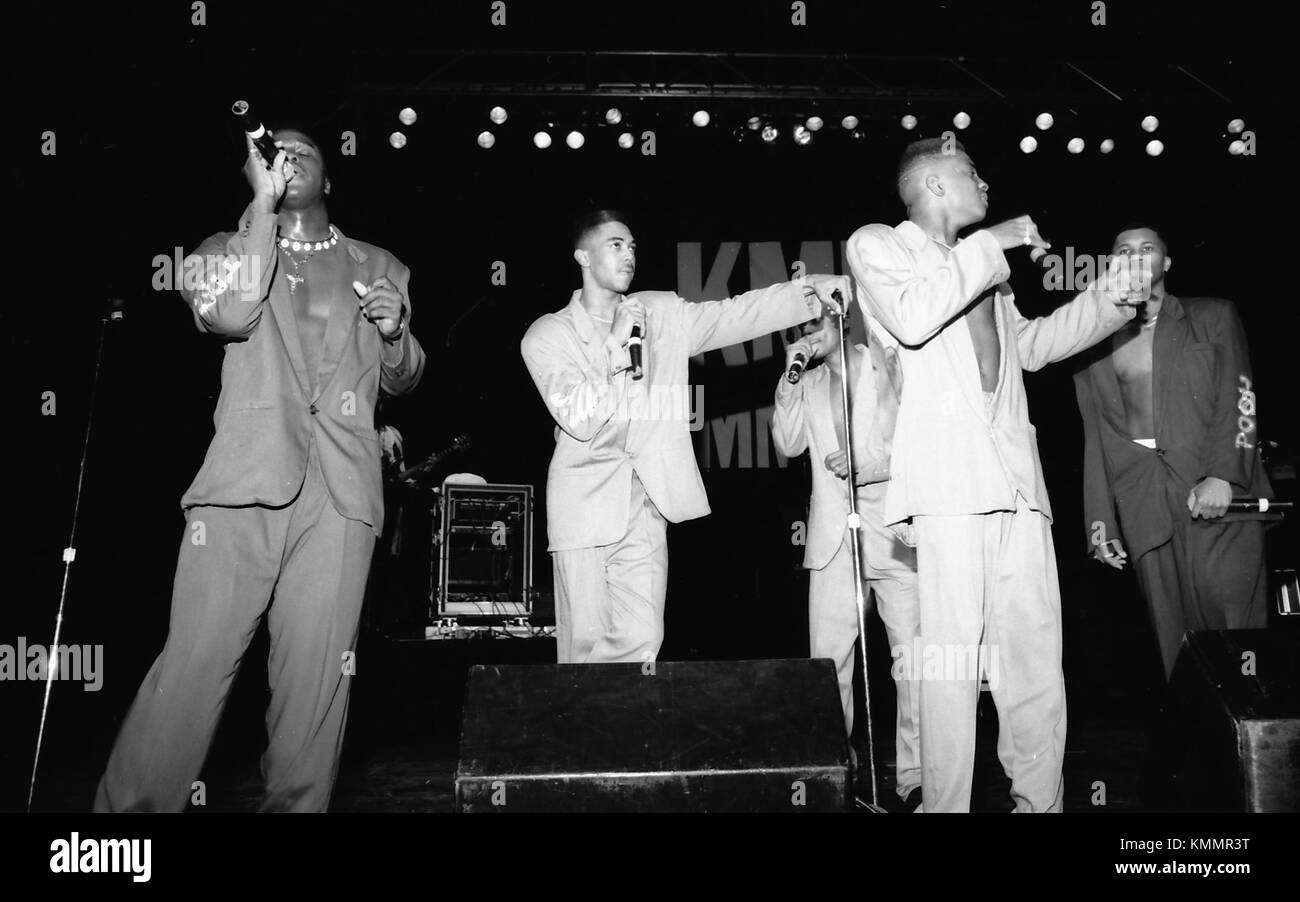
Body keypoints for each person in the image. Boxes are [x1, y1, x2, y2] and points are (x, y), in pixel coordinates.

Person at [95, 127, 425, 812]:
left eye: (307, 148)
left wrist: (397, 335)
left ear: (331, 179)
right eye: (279, 150)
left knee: (316, 689)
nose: (291, 154)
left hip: (341, 499)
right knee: (192, 667)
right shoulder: (221, 250)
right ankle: (128, 826)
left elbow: (402, 378)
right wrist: (262, 209)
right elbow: (231, 313)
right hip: (242, 488)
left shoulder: (383, 263)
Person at [847, 138, 1134, 812]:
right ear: (932, 184)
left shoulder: (986, 274)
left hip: (1015, 485)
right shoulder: (879, 245)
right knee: (949, 666)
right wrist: (993, 243)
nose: (984, 181)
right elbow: (914, 319)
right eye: (970, 171)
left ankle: (1042, 804)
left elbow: (1030, 348)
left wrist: (1113, 295)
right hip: (947, 488)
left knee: (1034, 663)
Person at [520, 209, 846, 664]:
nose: (629, 254)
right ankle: (593, 731)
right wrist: (615, 347)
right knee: (583, 652)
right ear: (583, 256)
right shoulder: (547, 334)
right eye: (615, 244)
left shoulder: (661, 313)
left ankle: (626, 727)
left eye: (632, 245)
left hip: (650, 501)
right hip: (584, 507)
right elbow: (579, 419)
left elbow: (735, 315)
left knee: (644, 638)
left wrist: (805, 294)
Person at [1074, 224, 1272, 679]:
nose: (1135, 255)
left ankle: (1255, 744)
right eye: (1123, 250)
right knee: (1176, 651)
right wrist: (1100, 523)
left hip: (1217, 494)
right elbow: (1097, 436)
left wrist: (1224, 474)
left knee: (1236, 640)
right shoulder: (1091, 341)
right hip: (1144, 504)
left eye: (1147, 248)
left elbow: (1240, 396)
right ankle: (1196, 748)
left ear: (1166, 263)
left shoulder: (1213, 315)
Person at [771, 306, 921, 809]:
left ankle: (916, 777)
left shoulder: (885, 362)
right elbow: (788, 444)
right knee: (828, 664)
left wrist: (872, 465)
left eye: (814, 325)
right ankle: (837, 770)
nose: (807, 335)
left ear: (840, 322)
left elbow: (918, 440)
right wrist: (789, 377)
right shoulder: (807, 383)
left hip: (893, 530)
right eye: (800, 330)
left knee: (912, 660)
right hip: (832, 538)